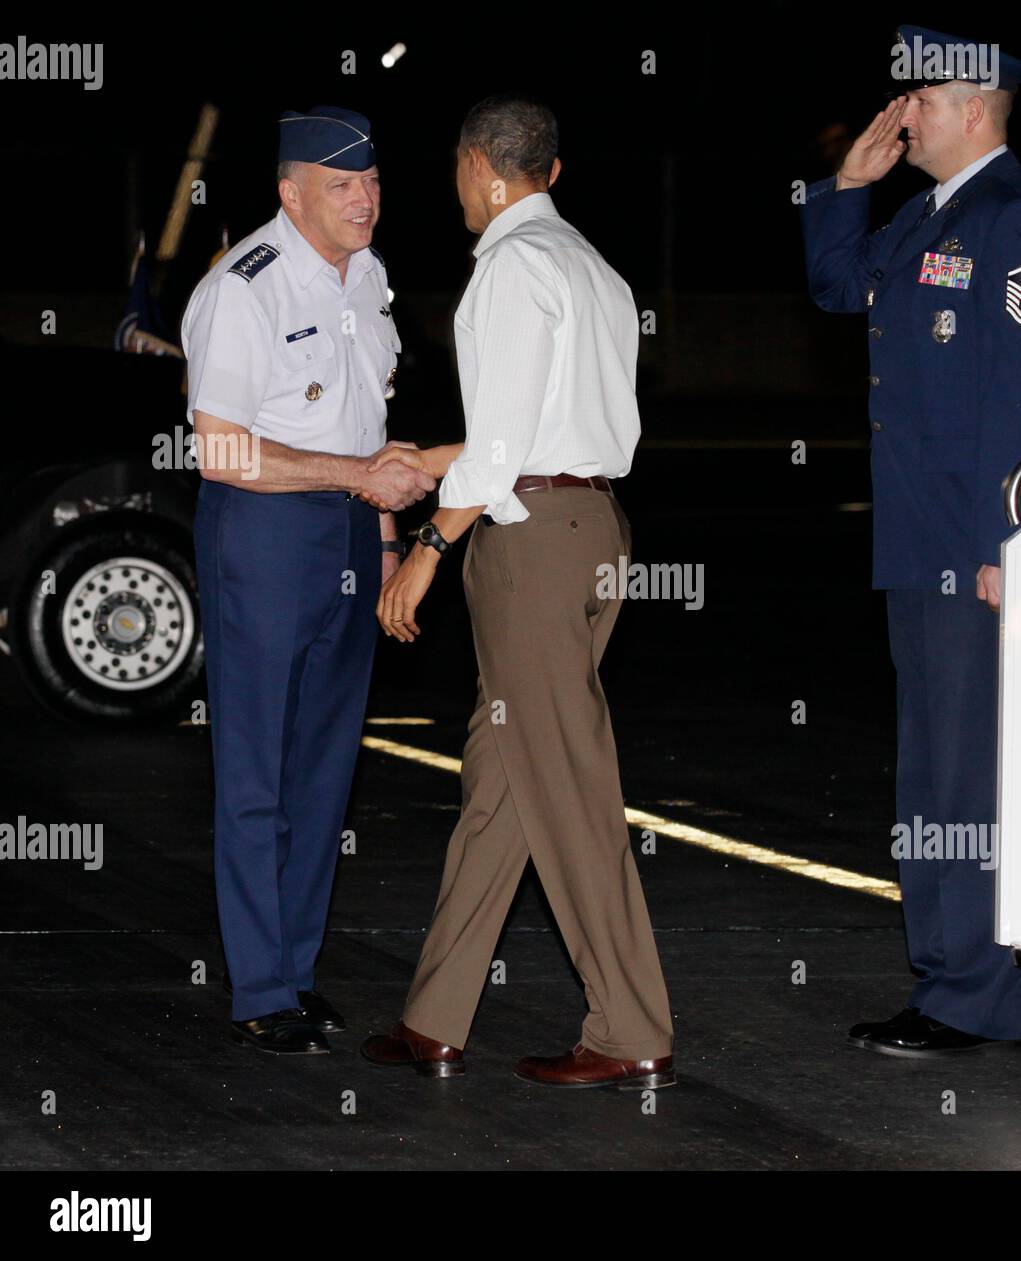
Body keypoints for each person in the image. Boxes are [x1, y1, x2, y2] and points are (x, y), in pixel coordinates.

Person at [359, 95, 676, 1090]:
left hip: (530, 546)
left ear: (477, 168)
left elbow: (501, 452)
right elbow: (543, 433)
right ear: (553, 171)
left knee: (568, 787)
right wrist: (440, 462)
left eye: (453, 168)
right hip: (591, 529)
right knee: (501, 784)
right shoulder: (595, 269)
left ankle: (628, 1026)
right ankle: (435, 1014)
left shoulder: (506, 266)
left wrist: (427, 543)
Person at [800, 26, 1021, 1057]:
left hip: (973, 546)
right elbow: (837, 289)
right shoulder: (923, 213)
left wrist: (1012, 542)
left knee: (962, 776)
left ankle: (971, 996)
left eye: (915, 100)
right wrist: (846, 185)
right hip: (919, 541)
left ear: (971, 105)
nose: (897, 115)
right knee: (930, 775)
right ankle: (945, 979)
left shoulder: (1012, 221)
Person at [181, 105, 435, 1055]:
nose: (365, 199)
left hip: (344, 529)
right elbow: (220, 448)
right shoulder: (243, 287)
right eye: (343, 187)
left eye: (371, 183)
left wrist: (380, 541)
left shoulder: (365, 276)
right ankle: (258, 987)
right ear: (292, 194)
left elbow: (369, 424)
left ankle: (296, 969)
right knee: (255, 771)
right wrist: (355, 479)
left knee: (324, 770)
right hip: (264, 529)